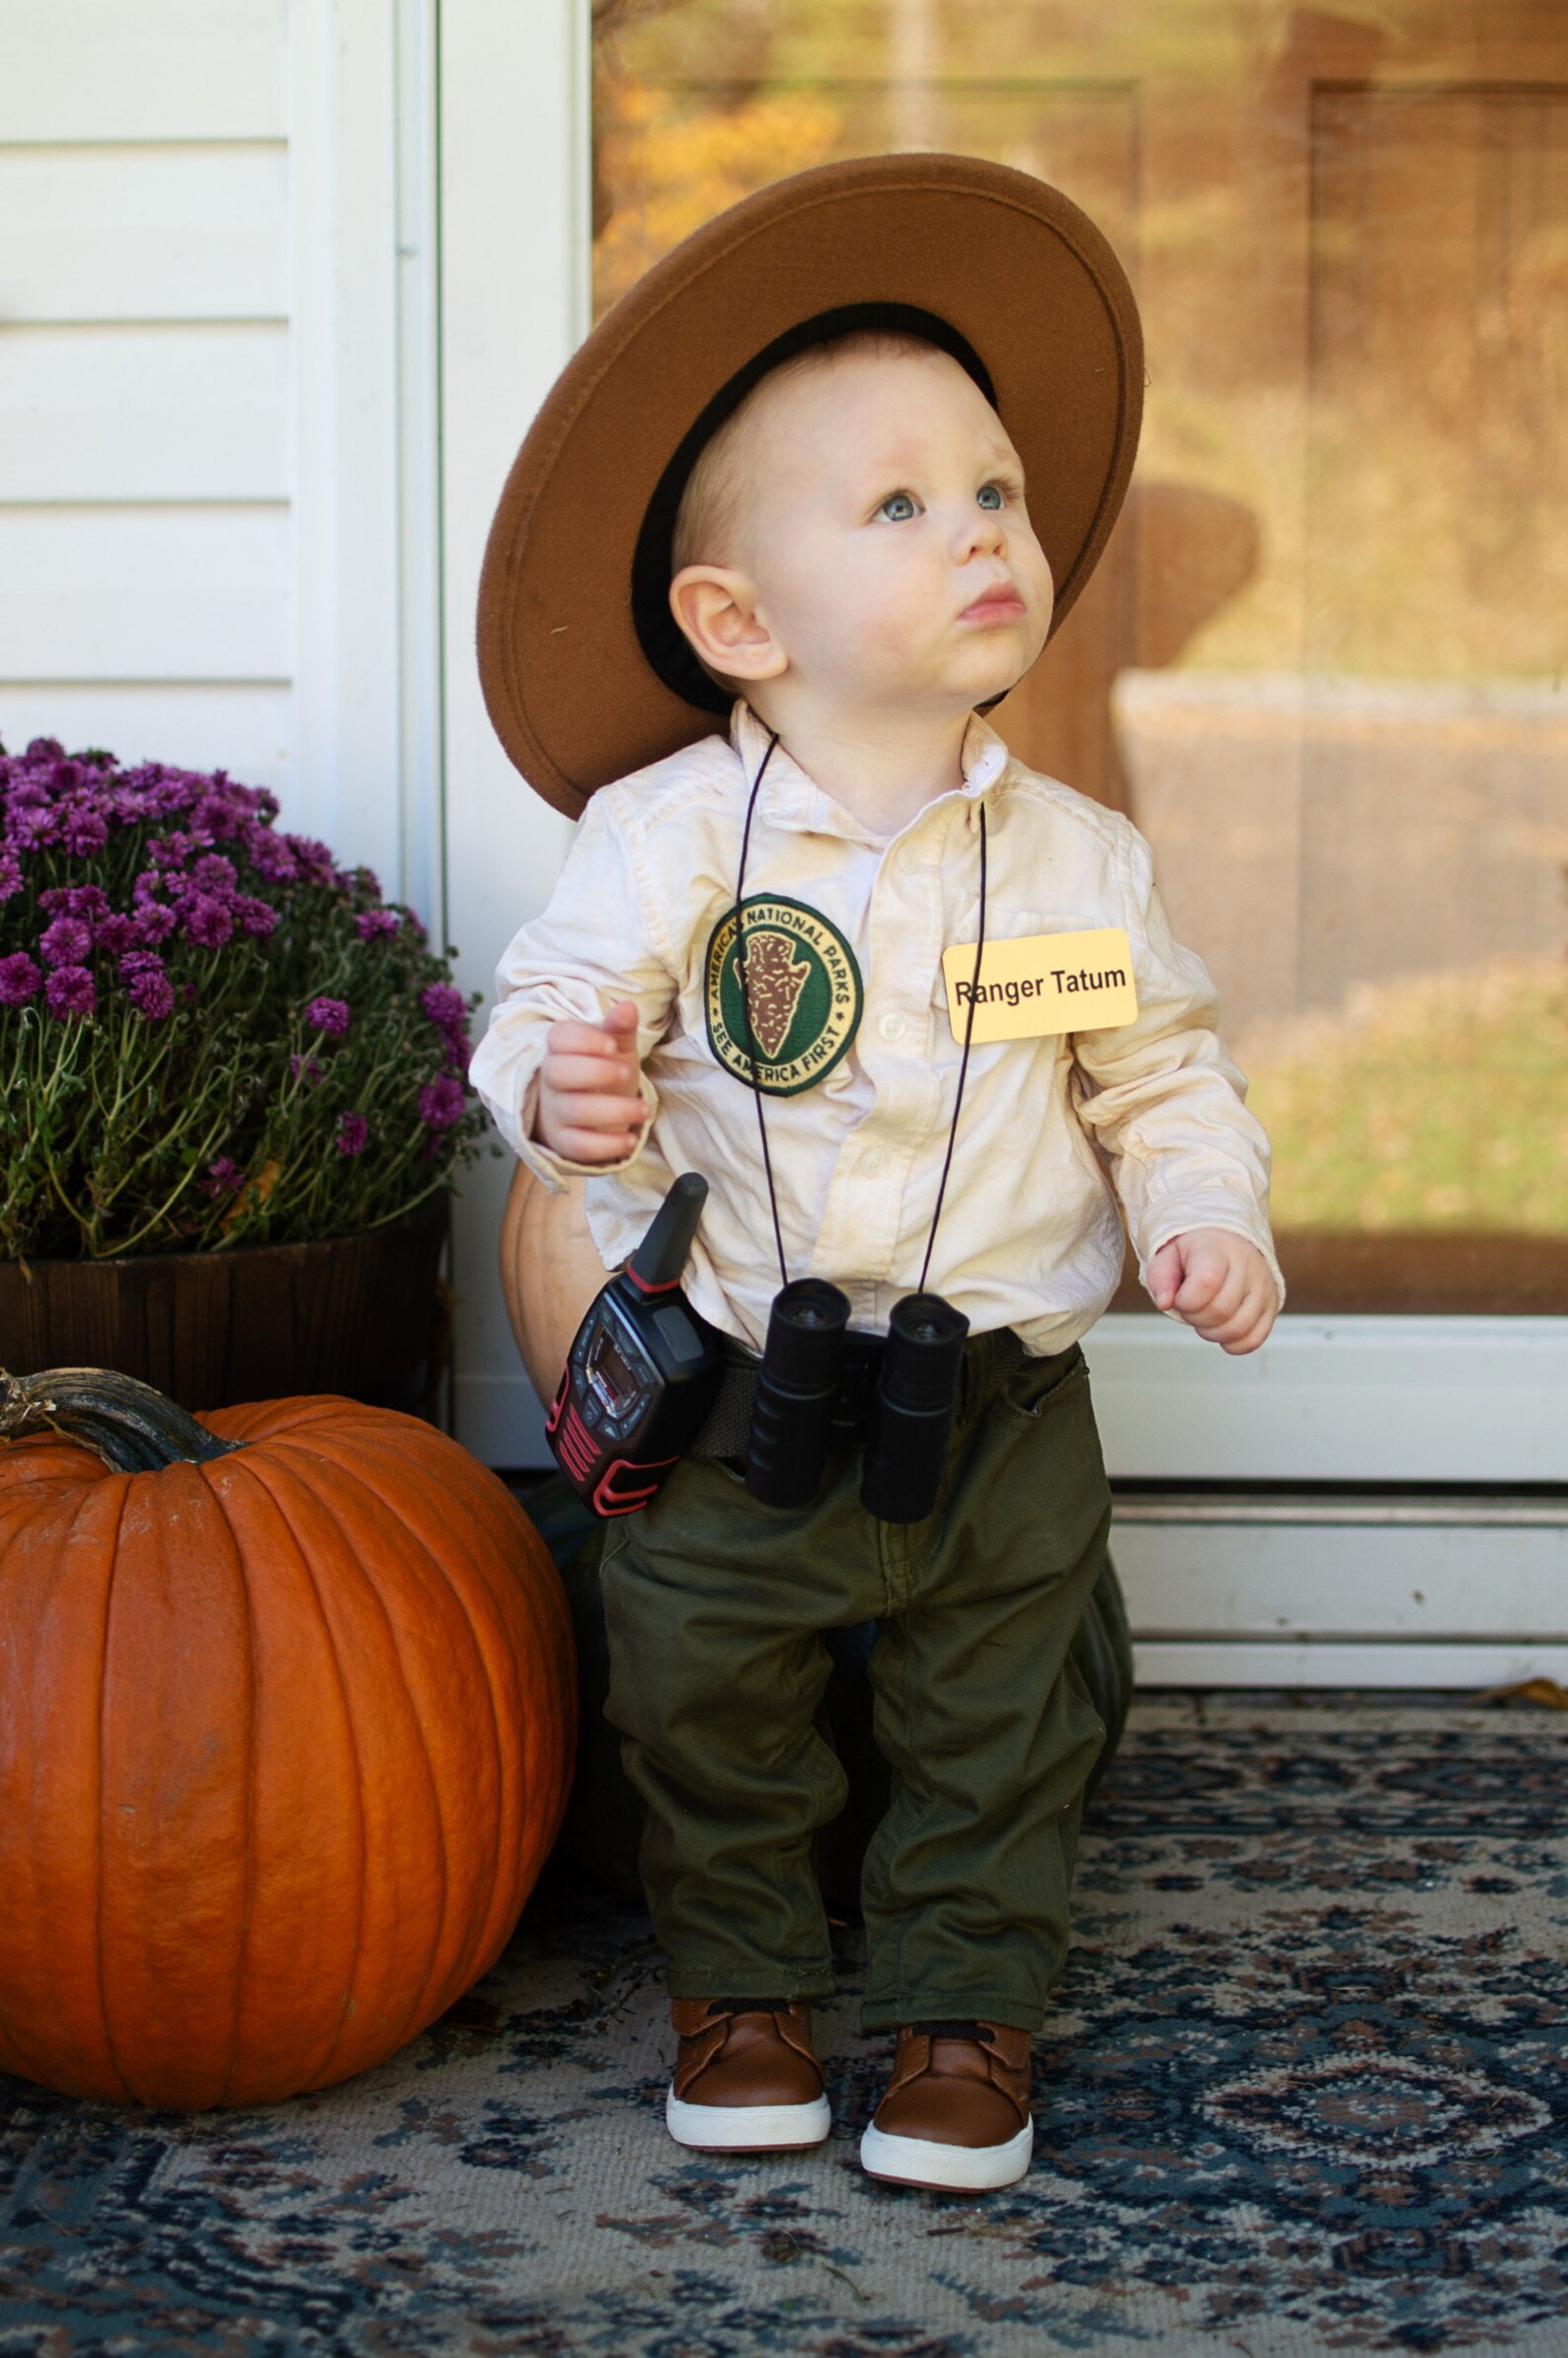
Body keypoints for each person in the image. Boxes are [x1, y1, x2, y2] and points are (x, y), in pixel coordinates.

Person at [469, 155, 1283, 2194]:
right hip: (750, 1388)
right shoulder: (667, 842)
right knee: (702, 1696)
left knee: (991, 1718)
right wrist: (552, 1094)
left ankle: (958, 2017)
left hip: (997, 1405)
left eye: (992, 491)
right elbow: (549, 1001)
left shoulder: (1078, 859)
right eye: (900, 504)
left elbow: (1154, 1071)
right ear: (739, 620)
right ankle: (740, 1997)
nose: (980, 531)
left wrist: (1200, 1211)